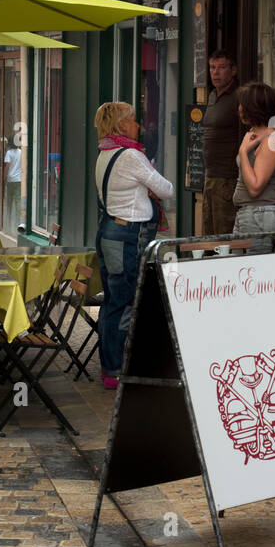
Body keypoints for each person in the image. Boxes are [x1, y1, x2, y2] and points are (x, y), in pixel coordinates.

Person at [93, 101, 174, 390]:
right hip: (127, 235)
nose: (138, 125)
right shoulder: (130, 156)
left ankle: (110, 365)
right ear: (121, 125)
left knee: (113, 302)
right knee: (123, 301)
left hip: (109, 231)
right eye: (133, 120)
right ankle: (116, 368)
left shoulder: (105, 152)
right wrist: (150, 188)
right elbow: (167, 189)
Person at [232, 82, 275, 236]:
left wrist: (243, 152)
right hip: (252, 214)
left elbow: (255, 187)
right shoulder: (257, 135)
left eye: (243, 104)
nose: (239, 109)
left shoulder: (272, 139)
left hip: (259, 215)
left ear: (253, 108)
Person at [201, 49, 240, 236]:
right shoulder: (212, 96)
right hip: (210, 177)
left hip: (228, 179)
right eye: (212, 67)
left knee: (223, 238)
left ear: (233, 71)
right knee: (208, 235)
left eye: (221, 67)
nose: (215, 73)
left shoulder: (239, 97)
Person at [3, 136, 22, 230]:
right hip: (19, 180)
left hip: (10, 180)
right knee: (18, 202)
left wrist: (3, 177)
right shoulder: (21, 152)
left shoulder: (9, 153)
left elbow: (7, 166)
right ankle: (17, 224)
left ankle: (8, 224)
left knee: (9, 202)